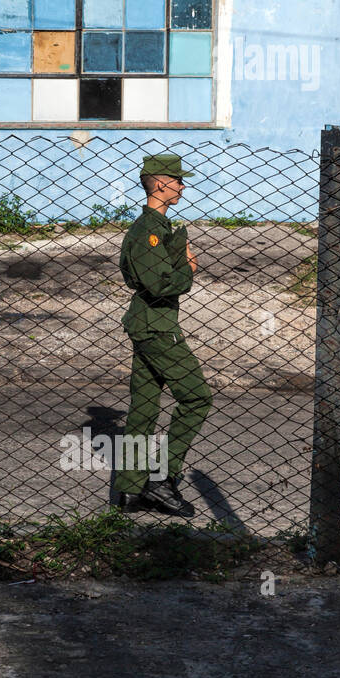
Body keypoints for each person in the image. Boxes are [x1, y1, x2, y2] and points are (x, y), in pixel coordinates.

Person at [111, 153, 212, 517]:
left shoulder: (156, 227)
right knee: (197, 398)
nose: (183, 186)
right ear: (160, 184)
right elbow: (157, 284)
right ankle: (162, 478)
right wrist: (187, 269)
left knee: (143, 409)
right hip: (157, 326)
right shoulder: (149, 231)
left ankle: (129, 489)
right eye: (178, 180)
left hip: (150, 323)